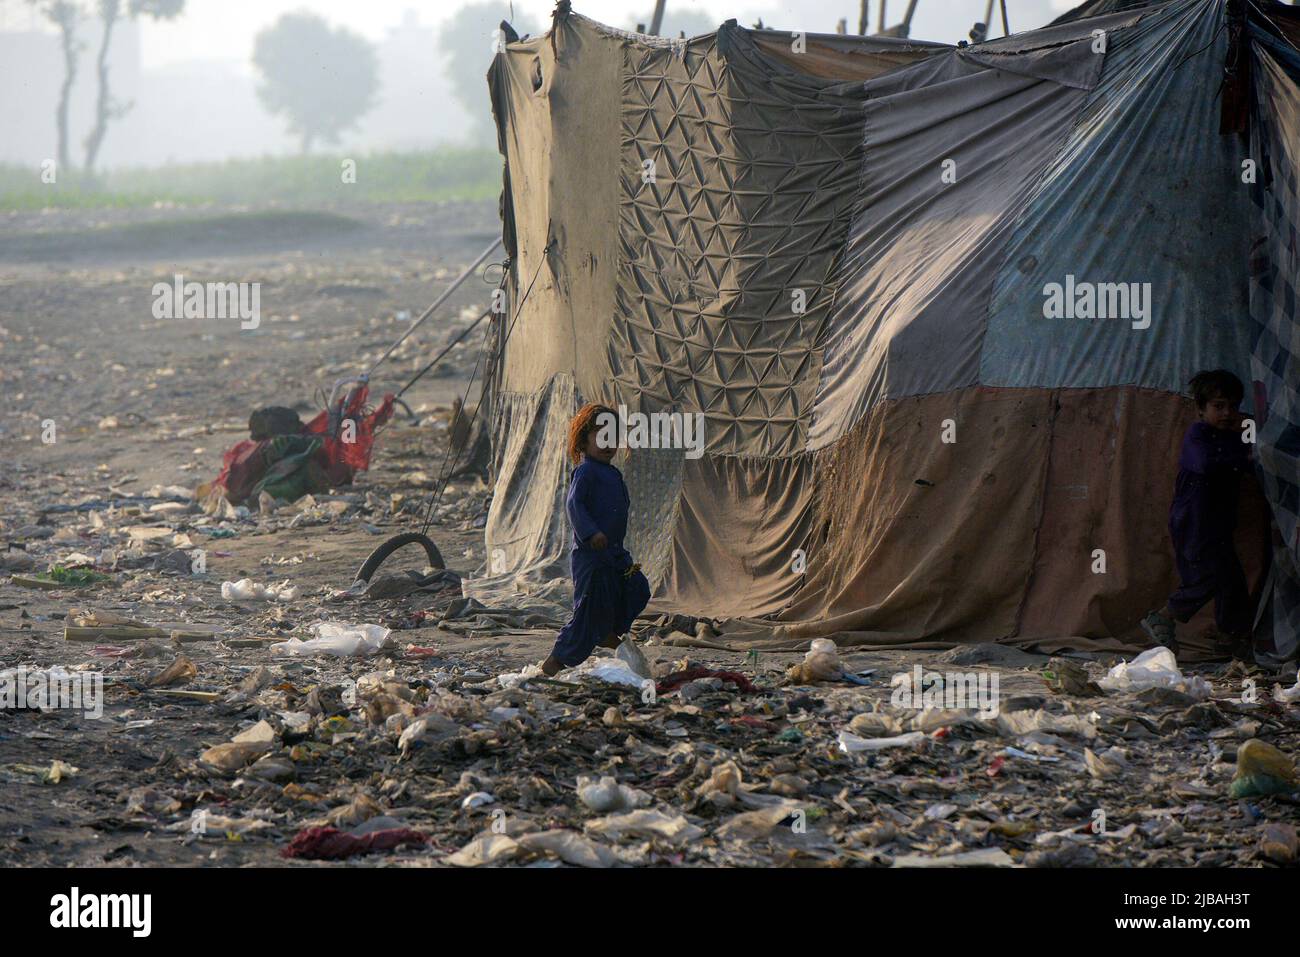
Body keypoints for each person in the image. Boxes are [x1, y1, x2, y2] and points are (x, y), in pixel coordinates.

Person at [1140, 370, 1254, 658]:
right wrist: (1243, 458)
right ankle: (1164, 617)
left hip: (1219, 523)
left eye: (1233, 406)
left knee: (1233, 582)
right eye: (1218, 406)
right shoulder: (1198, 434)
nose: (1227, 413)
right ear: (1201, 409)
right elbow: (1205, 463)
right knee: (1208, 576)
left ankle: (1230, 637)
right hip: (1195, 522)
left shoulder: (1232, 439)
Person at [541, 403, 651, 676]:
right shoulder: (586, 472)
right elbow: (574, 505)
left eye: (613, 437)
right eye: (600, 436)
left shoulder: (613, 473)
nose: (607, 444)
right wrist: (591, 533)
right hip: (591, 558)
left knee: (637, 586)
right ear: (584, 439)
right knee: (588, 609)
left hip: (615, 555)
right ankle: (557, 659)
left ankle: (611, 631)